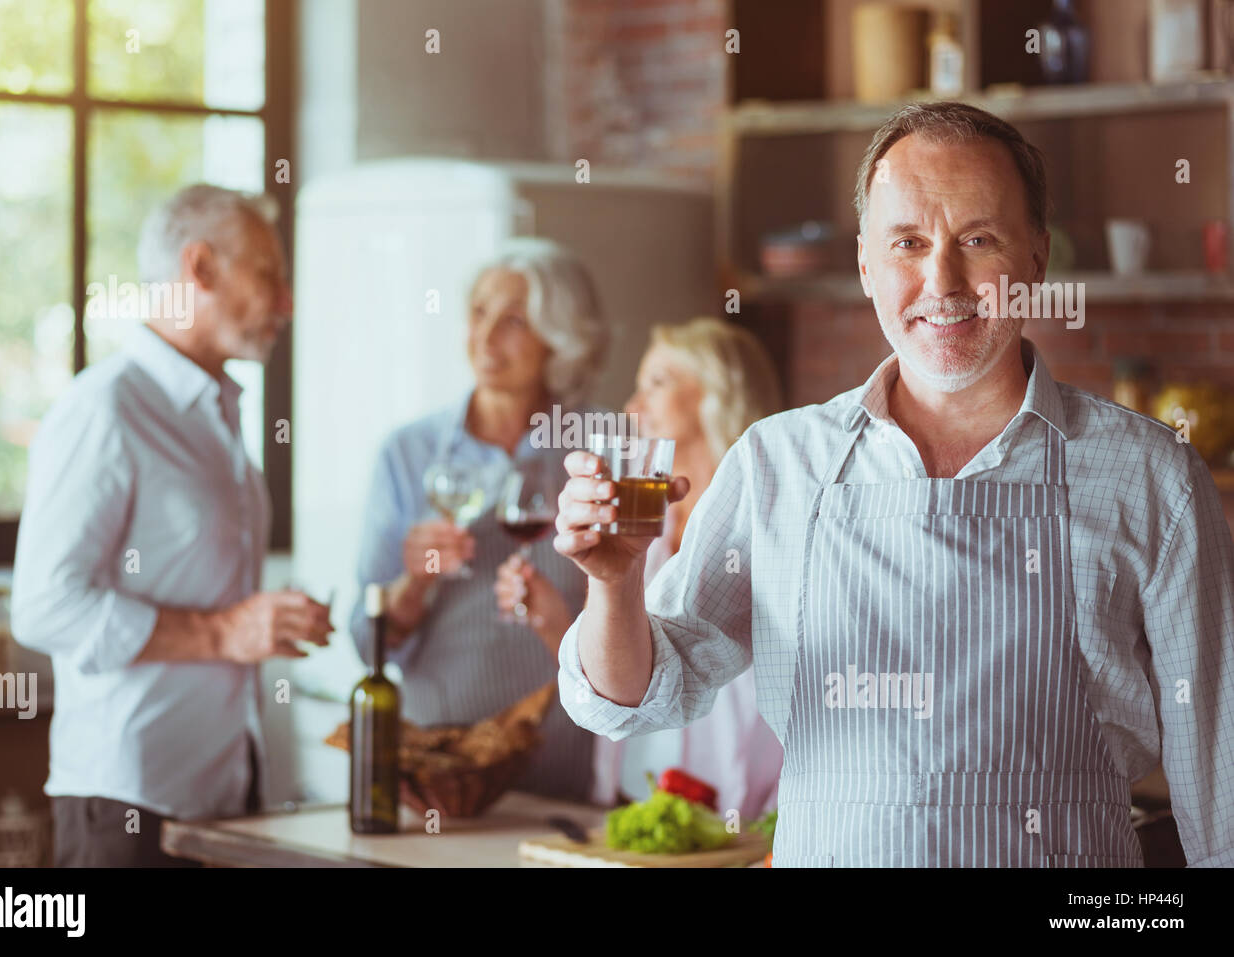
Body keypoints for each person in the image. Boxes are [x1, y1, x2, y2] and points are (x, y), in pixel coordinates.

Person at [553, 102, 1234, 867]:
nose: (941, 281)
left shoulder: (1151, 475)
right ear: (866, 263)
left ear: (1037, 257)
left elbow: (1220, 767)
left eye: (978, 239)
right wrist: (613, 585)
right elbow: (638, 697)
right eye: (907, 242)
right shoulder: (778, 464)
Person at [12, 184, 333, 866]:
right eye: (269, 274)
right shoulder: (106, 408)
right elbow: (44, 605)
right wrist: (224, 632)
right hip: (128, 807)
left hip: (222, 798)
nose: (288, 302)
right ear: (200, 267)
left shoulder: (216, 413)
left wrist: (265, 623)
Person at [348, 237, 608, 802]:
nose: (485, 338)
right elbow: (367, 640)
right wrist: (415, 583)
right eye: (478, 313)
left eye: (513, 319)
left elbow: (637, 620)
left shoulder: (598, 448)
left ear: (557, 337)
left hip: (562, 774)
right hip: (435, 777)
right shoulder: (409, 452)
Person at [495, 317, 785, 818]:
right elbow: (624, 682)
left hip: (749, 810)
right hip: (638, 799)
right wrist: (554, 623)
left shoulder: (775, 519)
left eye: (657, 382)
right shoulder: (639, 524)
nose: (632, 407)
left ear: (719, 390)